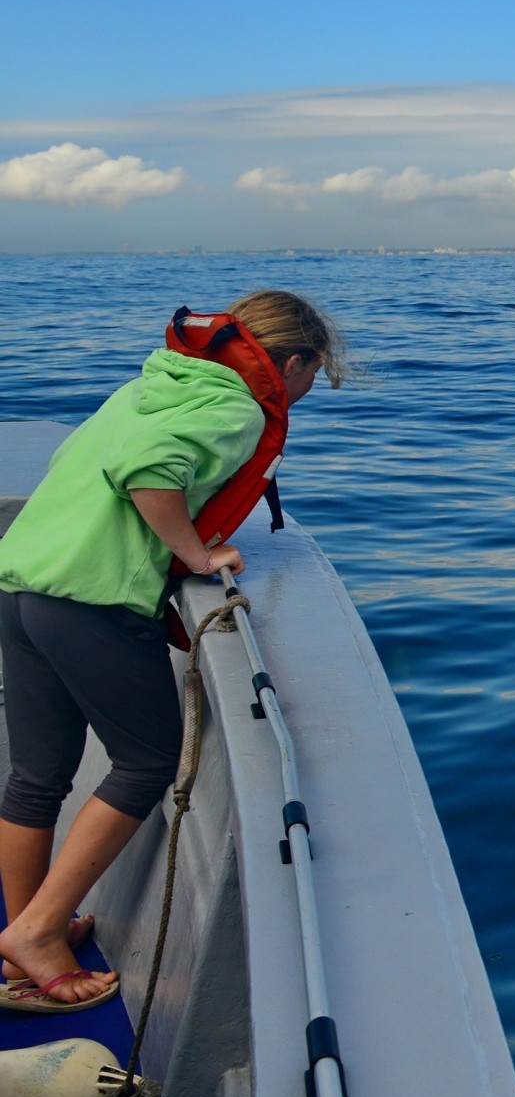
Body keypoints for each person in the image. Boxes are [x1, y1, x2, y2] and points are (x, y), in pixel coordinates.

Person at [0, 290, 346, 1011]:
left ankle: (32, 929)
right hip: (91, 597)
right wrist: (192, 553)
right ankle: (35, 933)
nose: (309, 392)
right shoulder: (237, 408)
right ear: (292, 362)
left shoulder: (157, 383)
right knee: (148, 760)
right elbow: (151, 474)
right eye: (314, 377)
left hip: (22, 581)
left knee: (36, 776)